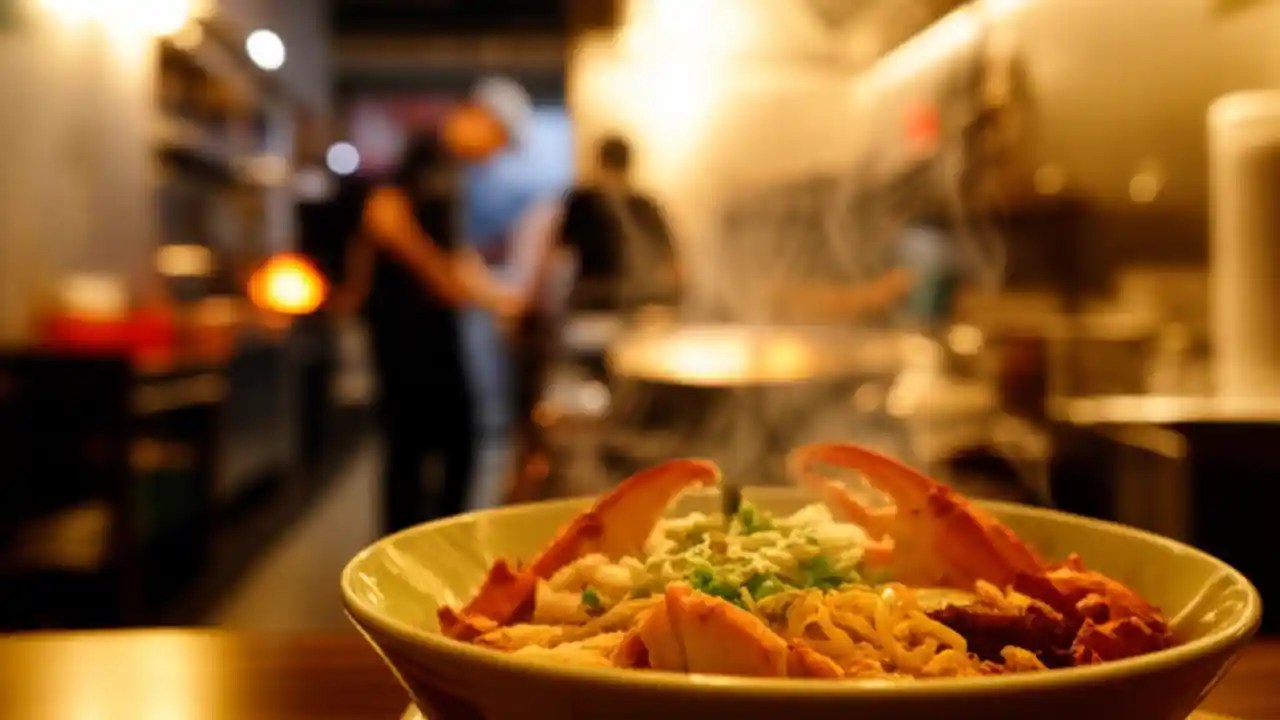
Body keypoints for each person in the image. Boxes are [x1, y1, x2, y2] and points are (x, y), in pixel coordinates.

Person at [330, 132, 514, 533]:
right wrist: (443, 279)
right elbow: (385, 223)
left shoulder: (443, 179)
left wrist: (488, 296)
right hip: (406, 336)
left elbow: (446, 252)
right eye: (496, 140)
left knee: (445, 445)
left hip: (426, 331)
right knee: (415, 449)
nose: (492, 153)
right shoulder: (422, 167)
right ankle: (411, 551)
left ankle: (435, 542)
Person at [560, 135, 679, 313]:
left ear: (600, 162)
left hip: (597, 294)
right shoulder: (644, 205)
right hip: (640, 295)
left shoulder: (584, 202)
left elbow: (561, 251)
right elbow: (669, 258)